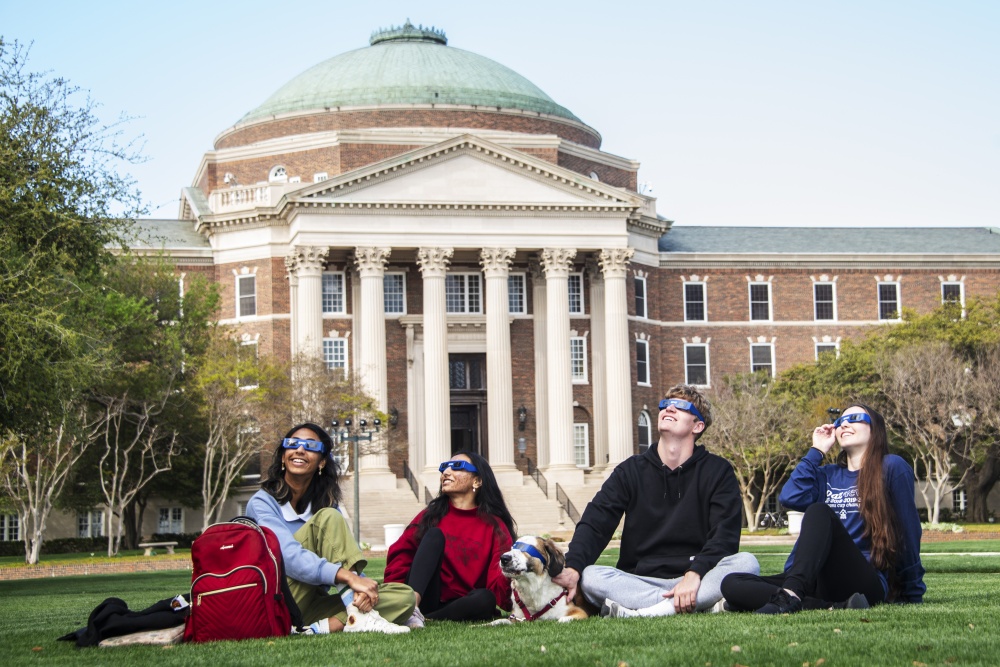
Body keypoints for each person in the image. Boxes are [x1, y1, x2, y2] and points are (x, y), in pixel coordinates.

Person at [553, 384, 759, 618]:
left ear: (698, 425)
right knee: (591, 577)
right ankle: (694, 605)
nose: (669, 407)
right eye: (665, 404)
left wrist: (694, 574)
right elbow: (596, 522)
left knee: (747, 562)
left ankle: (648, 611)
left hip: (695, 578)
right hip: (639, 579)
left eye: (680, 406)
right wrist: (573, 567)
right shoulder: (630, 471)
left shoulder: (718, 471)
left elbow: (724, 536)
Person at [720, 404, 926, 613]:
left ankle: (788, 596)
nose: (844, 424)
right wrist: (817, 450)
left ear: (876, 428)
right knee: (731, 583)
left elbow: (908, 531)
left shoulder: (892, 467)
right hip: (813, 580)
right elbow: (790, 496)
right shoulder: (826, 474)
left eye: (854, 418)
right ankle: (830, 606)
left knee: (819, 511)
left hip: (862, 580)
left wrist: (912, 592)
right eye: (839, 422)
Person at [247, 422, 415, 634]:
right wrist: (350, 577)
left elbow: (342, 554)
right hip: (275, 599)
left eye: (310, 446)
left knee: (404, 596)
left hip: (308, 606)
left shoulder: (324, 502)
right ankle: (356, 616)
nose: (300, 449)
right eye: (293, 444)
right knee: (329, 517)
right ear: (283, 456)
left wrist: (360, 587)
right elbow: (287, 557)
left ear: (322, 462)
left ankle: (321, 627)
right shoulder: (262, 502)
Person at [384, 451, 515, 625]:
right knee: (434, 536)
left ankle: (430, 619)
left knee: (486, 598)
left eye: (457, 467)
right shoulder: (430, 516)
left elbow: (500, 574)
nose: (446, 472)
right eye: (444, 467)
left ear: (477, 480)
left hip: (462, 603)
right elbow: (402, 554)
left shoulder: (495, 526)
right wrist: (397, 597)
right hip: (425, 597)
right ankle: (412, 611)